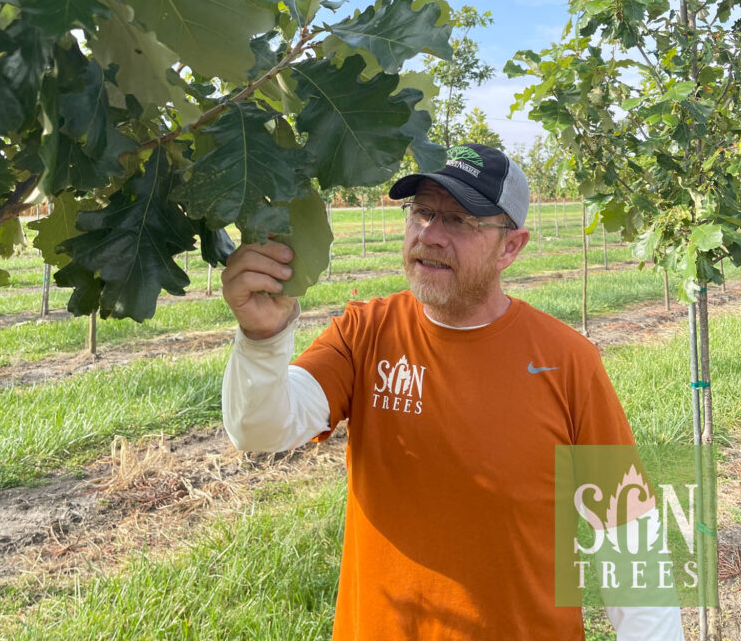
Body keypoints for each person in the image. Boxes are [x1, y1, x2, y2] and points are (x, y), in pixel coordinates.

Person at [221, 144, 685, 641]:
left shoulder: (567, 361)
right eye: (421, 211)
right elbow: (261, 430)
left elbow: (627, 534)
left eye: (461, 220)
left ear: (511, 246)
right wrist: (264, 341)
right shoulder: (365, 333)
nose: (430, 235)